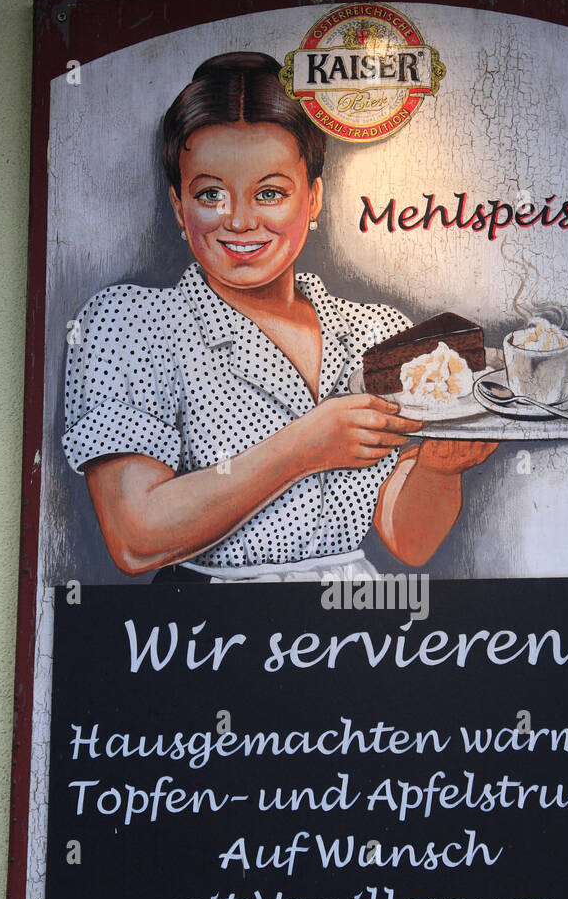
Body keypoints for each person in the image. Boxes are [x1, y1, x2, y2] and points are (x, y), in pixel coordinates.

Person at [63, 52, 497, 583]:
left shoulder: (375, 331)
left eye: (269, 193)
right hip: (205, 635)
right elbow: (135, 537)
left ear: (312, 199)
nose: (240, 220)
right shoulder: (133, 323)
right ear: (180, 207)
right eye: (210, 194)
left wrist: (439, 465)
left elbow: (408, 542)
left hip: (353, 619)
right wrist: (304, 446)